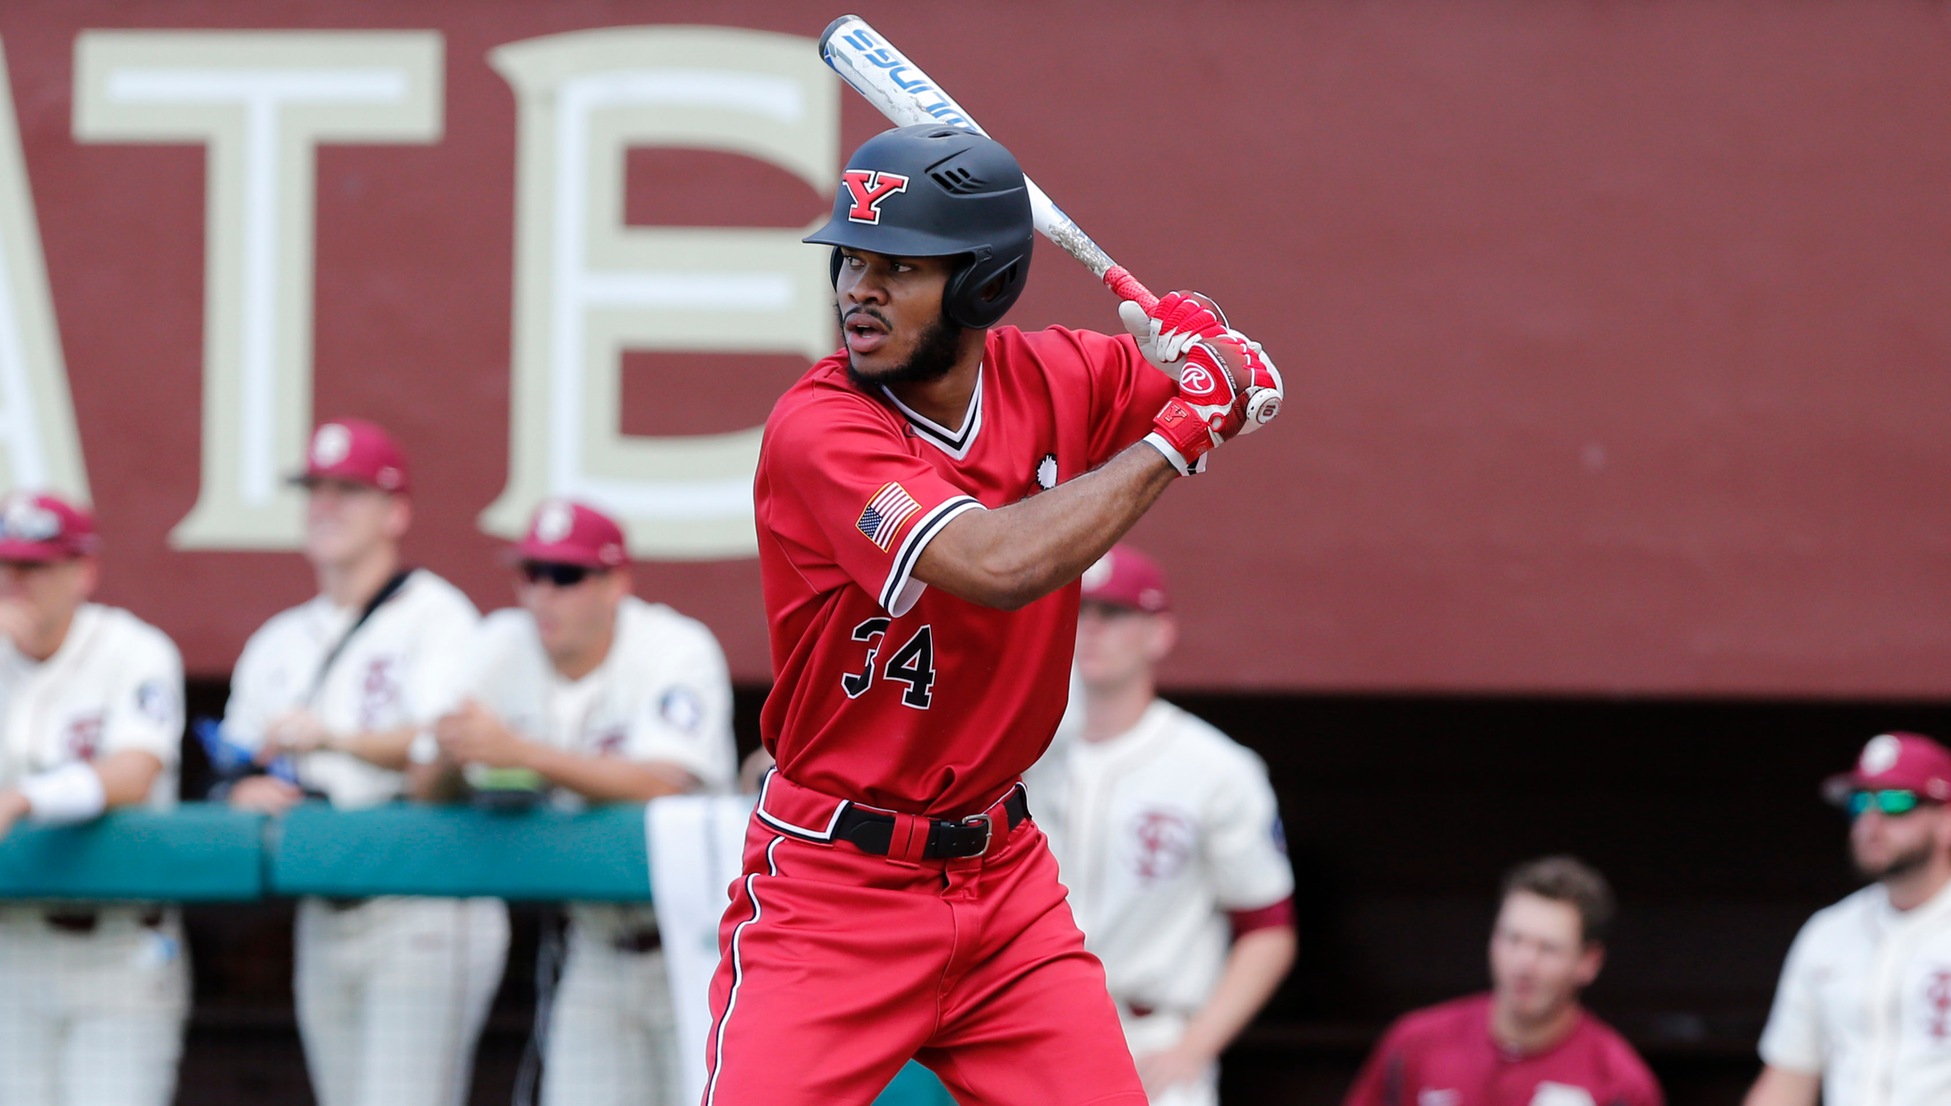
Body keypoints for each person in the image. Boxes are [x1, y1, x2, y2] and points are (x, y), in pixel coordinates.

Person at [700, 123, 1285, 1106]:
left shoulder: (1060, 374)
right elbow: (993, 563)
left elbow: (1234, 383)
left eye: (899, 265)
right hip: (835, 884)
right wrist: (1183, 431)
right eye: (851, 258)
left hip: (1002, 879)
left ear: (981, 283)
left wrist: (1209, 347)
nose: (858, 288)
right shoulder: (821, 425)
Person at [220, 419, 503, 1106]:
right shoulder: (279, 640)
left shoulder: (436, 615)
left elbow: (449, 743)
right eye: (316, 489)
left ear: (395, 511)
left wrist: (331, 739)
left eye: (348, 490)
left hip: (422, 900)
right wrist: (242, 791)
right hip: (325, 902)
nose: (326, 506)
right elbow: (231, 763)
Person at [418, 498, 737, 1106]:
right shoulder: (500, 643)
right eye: (531, 573)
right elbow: (423, 787)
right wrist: (454, 754)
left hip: (699, 948)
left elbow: (665, 781)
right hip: (594, 947)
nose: (543, 594)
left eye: (565, 577)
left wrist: (520, 750)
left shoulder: (673, 647)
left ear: (617, 582)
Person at [1026, 544, 1297, 1106]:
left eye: (1115, 614)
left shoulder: (1215, 767)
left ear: (1159, 633)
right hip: (1029, 1030)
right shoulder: (1017, 753)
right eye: (1079, 610)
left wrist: (1194, 1048)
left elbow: (1268, 926)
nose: (1093, 630)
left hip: (1151, 1035)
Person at [0, 492, 188, 1106]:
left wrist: (26, 798)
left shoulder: (134, 650)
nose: (16, 581)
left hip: (119, 950)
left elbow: (134, 772)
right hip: (15, 950)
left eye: (36, 566)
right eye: (6, 564)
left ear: (84, 571)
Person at [1343, 856, 1662, 1106]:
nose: (1524, 963)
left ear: (1589, 962)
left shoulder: (1620, 1082)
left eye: (1547, 948)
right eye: (1513, 938)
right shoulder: (1413, 1044)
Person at [1743, 732, 1951, 1106]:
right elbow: (1787, 1080)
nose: (1871, 821)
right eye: (1860, 802)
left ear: (1947, 818)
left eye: (1894, 802)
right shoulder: (1829, 932)